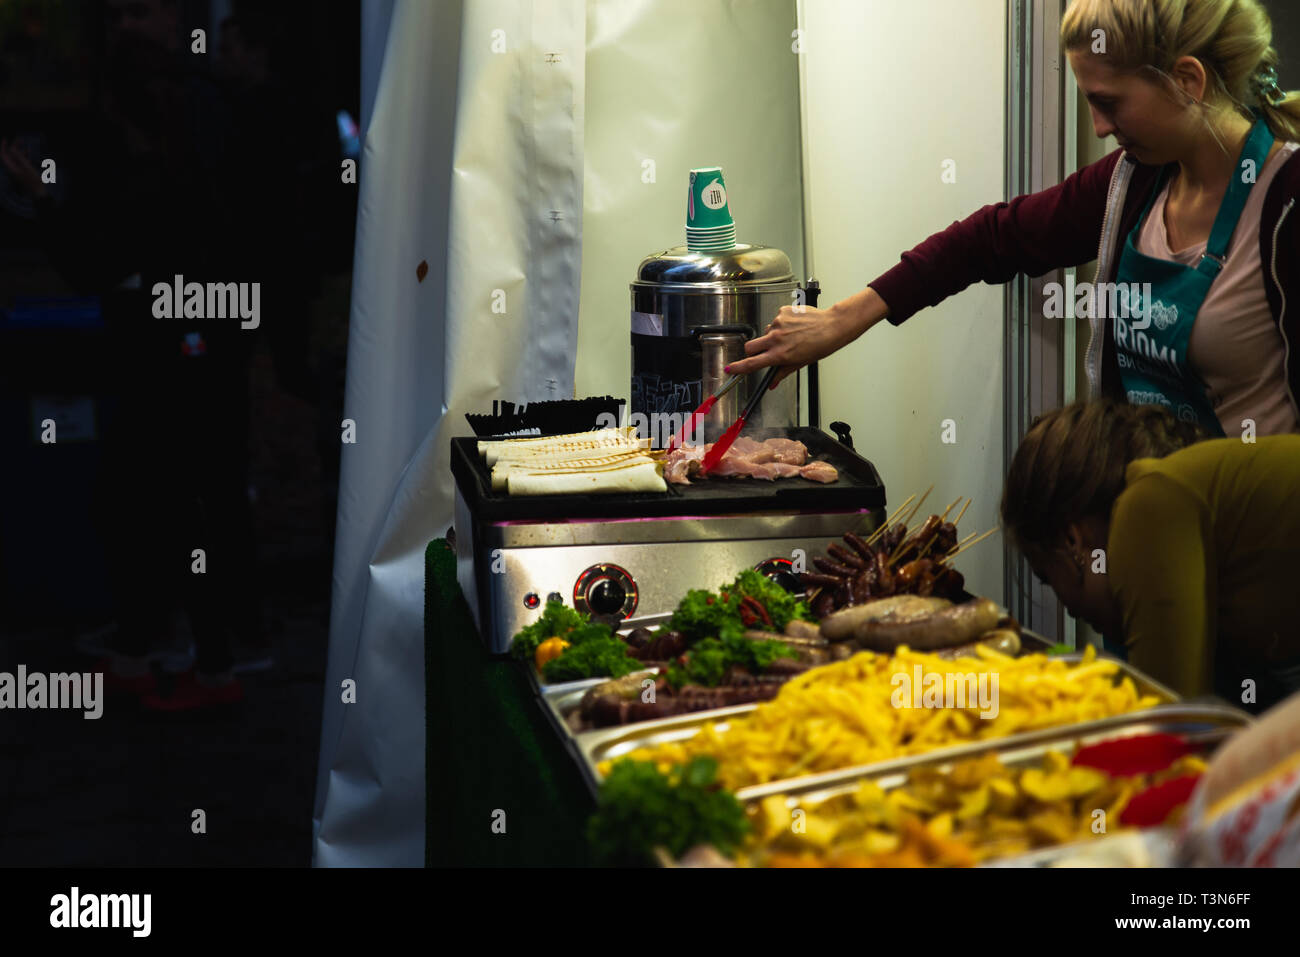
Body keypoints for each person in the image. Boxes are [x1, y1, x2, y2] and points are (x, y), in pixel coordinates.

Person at [727, 0, 1300, 438]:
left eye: (1109, 102)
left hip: (1252, 541)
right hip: (1150, 525)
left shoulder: (1284, 201)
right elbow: (989, 238)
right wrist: (841, 320)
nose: (1099, 128)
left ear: (1187, 81)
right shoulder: (1136, 182)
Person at [999, 399, 1300, 711]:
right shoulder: (1198, 512)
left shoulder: (1147, 506)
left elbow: (1169, 720)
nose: (1070, 611)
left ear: (1072, 540)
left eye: (1046, 576)